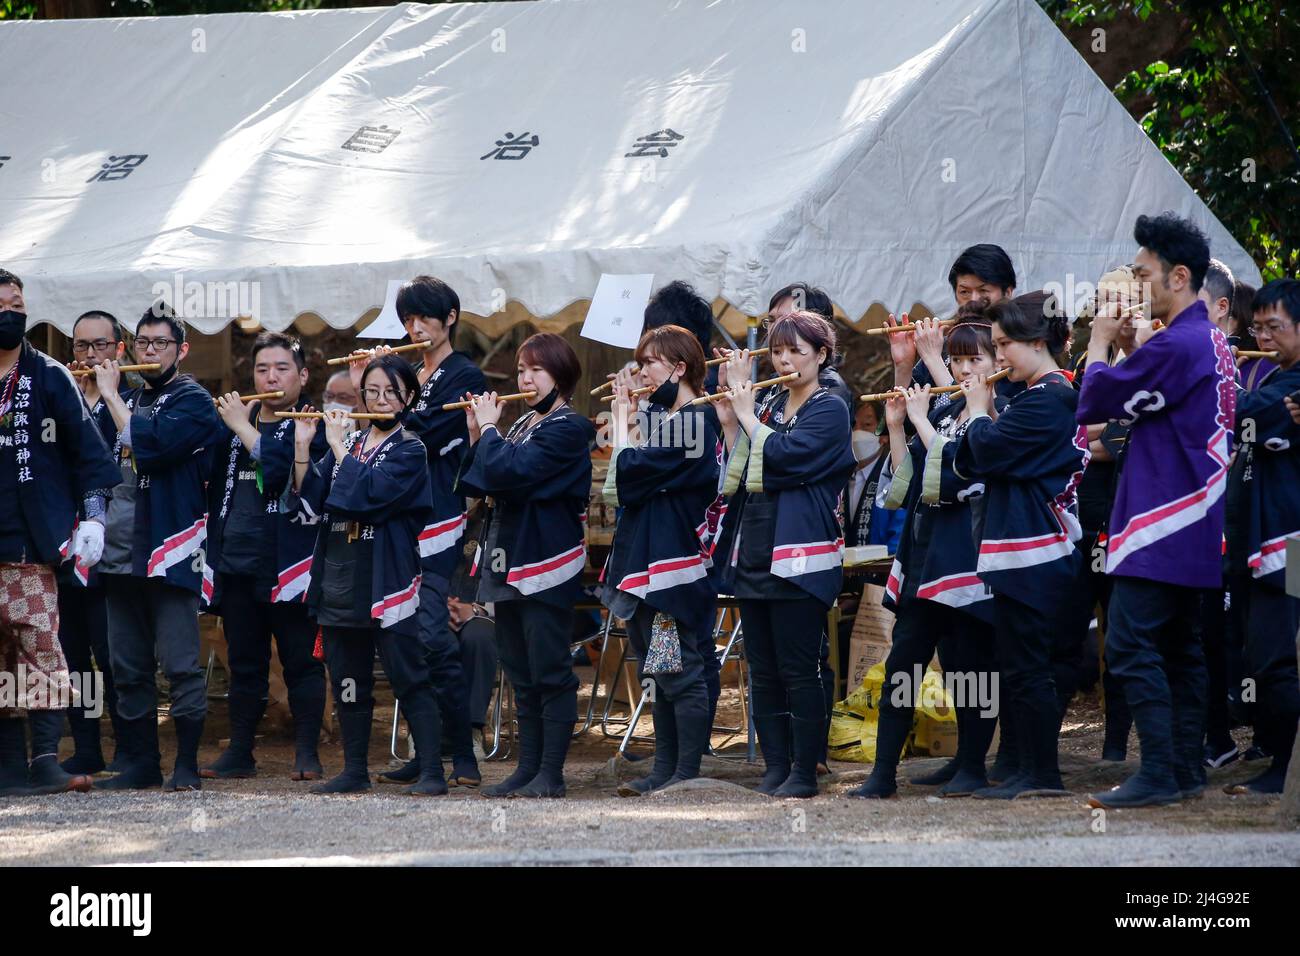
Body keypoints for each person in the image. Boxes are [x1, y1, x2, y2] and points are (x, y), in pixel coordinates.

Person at [1076, 212, 1235, 808]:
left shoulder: (1180, 340)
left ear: (1179, 276)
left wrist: (1097, 343)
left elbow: (1096, 401)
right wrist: (1136, 347)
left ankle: (1160, 772)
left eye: (1142, 275)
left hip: (1163, 516)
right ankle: (1185, 770)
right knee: (1180, 648)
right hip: (1196, 515)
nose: (1133, 286)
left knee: (1130, 645)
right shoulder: (1209, 339)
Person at [850, 320, 1003, 798]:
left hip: (967, 556)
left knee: (970, 667)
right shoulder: (944, 408)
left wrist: (918, 418)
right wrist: (897, 425)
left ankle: (973, 765)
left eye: (975, 359)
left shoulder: (994, 413)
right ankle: (882, 774)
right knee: (904, 664)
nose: (963, 369)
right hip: (925, 553)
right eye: (955, 359)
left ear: (998, 364)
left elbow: (958, 474)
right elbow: (905, 478)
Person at [954, 292, 1089, 799]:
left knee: (1029, 669)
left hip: (1038, 552)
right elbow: (970, 462)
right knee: (1017, 667)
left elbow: (985, 451)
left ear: (1038, 342)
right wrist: (982, 418)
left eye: (1005, 343)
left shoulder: (1050, 397)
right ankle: (1026, 770)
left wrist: (976, 409)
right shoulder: (1033, 396)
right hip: (1018, 551)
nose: (1000, 355)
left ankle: (1042, 775)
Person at [716, 311, 855, 798]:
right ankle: (775, 766)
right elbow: (740, 468)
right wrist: (732, 419)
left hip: (802, 552)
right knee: (764, 668)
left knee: (800, 667)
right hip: (754, 546)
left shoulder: (830, 406)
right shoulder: (770, 402)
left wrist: (749, 418)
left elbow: (788, 457)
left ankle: (803, 769)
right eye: (777, 351)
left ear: (821, 355)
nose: (785, 360)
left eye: (797, 351)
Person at [356, 277, 487, 790]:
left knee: (433, 637)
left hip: (437, 524)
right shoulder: (408, 373)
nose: (415, 328)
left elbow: (425, 435)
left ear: (450, 317)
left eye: (425, 318)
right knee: (402, 641)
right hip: (396, 523)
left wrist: (385, 391)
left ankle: (463, 752)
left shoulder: (465, 374)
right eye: (408, 319)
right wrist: (375, 380)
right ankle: (426, 750)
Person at [293, 354, 444, 795]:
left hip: (387, 575)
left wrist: (337, 446)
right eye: (373, 391)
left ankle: (432, 770)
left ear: (409, 398)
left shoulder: (410, 448)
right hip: (341, 572)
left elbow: (369, 496)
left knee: (407, 672)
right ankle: (354, 769)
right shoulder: (354, 442)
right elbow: (312, 500)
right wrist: (305, 445)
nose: (380, 400)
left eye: (391, 393)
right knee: (346, 675)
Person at [457, 333, 595, 798]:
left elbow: (513, 473)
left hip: (547, 561)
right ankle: (528, 768)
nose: (526, 379)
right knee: (518, 668)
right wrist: (479, 433)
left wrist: (492, 434)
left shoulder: (570, 426)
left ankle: (551, 775)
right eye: (521, 370)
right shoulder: (518, 428)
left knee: (549, 667)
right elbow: (482, 481)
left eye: (536, 369)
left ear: (560, 375)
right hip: (506, 558)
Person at [91, 302, 220, 792]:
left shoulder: (193, 400)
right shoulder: (126, 399)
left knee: (181, 662)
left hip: (169, 548)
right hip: (119, 550)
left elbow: (155, 447)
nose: (150, 351)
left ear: (181, 350)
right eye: (143, 343)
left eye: (160, 343)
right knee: (127, 665)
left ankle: (185, 763)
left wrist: (110, 395)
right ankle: (141, 762)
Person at [0, 270, 120, 797]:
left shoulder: (48, 375)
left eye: (17, 302)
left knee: (40, 649)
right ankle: (6, 766)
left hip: (29, 542)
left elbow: (88, 454)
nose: (10, 309)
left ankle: (45, 758)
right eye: (0, 302)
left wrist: (94, 515)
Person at [201, 332, 327, 780]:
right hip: (237, 561)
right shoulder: (239, 417)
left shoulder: (313, 422)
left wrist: (239, 425)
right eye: (261, 369)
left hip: (289, 564)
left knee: (301, 662)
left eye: (281, 368)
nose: (270, 377)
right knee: (245, 663)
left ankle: (307, 753)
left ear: (303, 375)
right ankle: (240, 752)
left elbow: (277, 475)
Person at [604, 325, 720, 795]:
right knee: (660, 668)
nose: (642, 372)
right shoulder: (668, 419)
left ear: (679, 367)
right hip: (650, 563)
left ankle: (685, 773)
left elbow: (629, 475)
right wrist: (634, 416)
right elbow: (629, 480)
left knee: (679, 668)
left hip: (673, 569)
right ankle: (664, 768)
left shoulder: (695, 419)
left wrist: (621, 416)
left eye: (649, 363)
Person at [1222, 279, 1300, 794]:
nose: (1264, 337)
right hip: (1264, 540)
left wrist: (1218, 373)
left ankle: (1283, 770)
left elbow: (1238, 414)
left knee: (1278, 655)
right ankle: (1277, 758)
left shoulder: (1289, 387)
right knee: (1267, 653)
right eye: (1260, 327)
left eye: (1276, 327)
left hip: (1288, 544)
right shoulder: (1279, 381)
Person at [1069, 269, 1140, 762]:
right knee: (1068, 626)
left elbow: (1122, 439)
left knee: (1121, 633)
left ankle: (1116, 745)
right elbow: (1078, 431)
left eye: (1121, 300)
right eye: (1103, 301)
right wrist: (1098, 437)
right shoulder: (1083, 362)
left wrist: (1096, 438)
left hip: (1127, 514)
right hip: (1083, 515)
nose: (1110, 310)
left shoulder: (1146, 359)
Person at [56, 310, 131, 775]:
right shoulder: (57, 397)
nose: (90, 355)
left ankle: (129, 746)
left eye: (100, 346)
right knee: (72, 651)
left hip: (115, 540)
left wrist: (109, 393)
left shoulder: (133, 400)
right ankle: (87, 745)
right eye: (81, 347)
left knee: (113, 653)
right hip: (62, 540)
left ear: (118, 349)